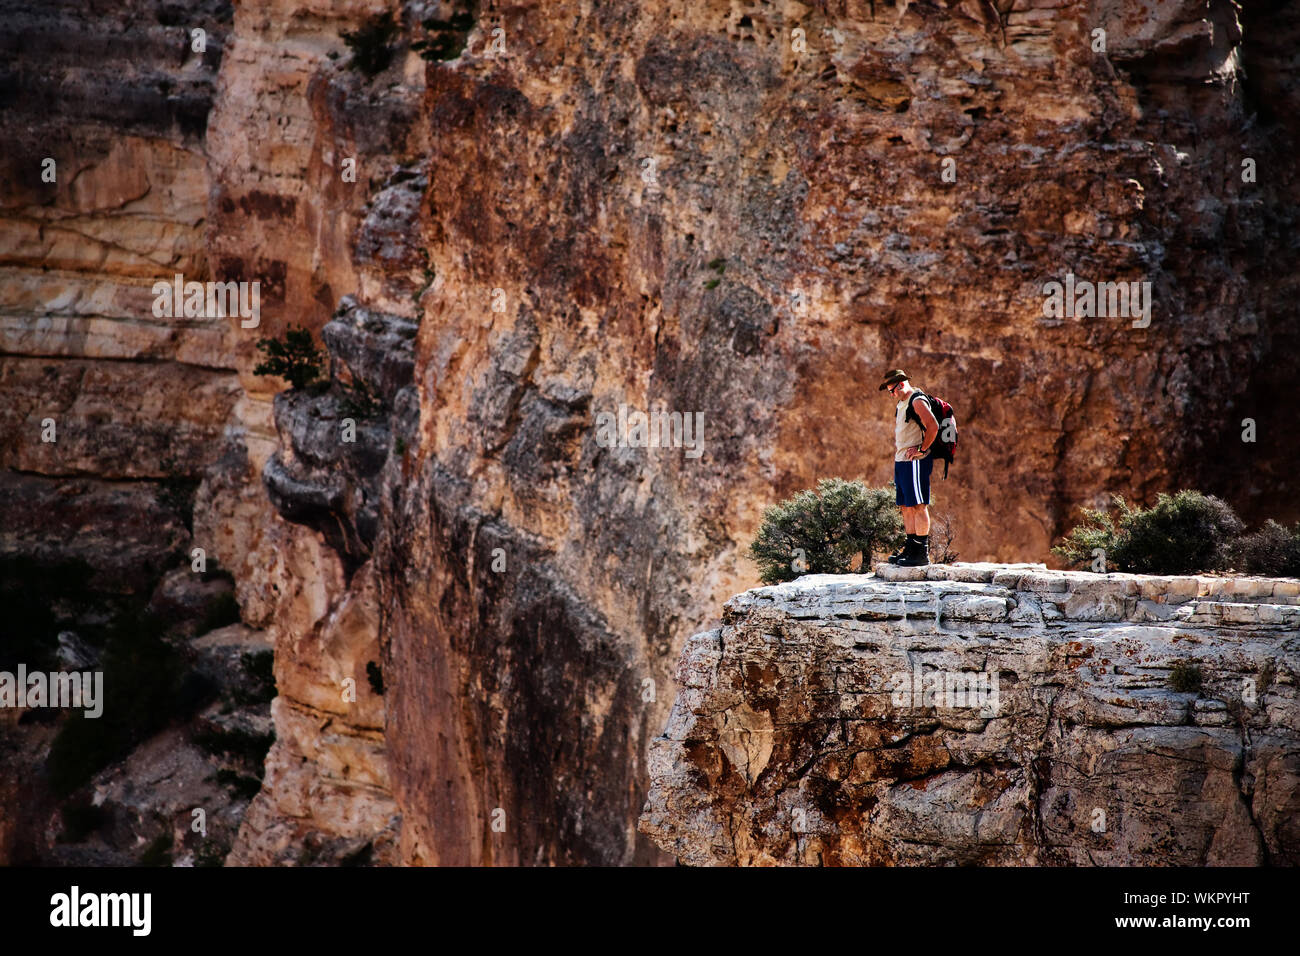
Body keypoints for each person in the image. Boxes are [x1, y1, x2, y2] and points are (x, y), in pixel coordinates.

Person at [878, 369, 939, 567]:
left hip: (915, 462)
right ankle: (911, 547)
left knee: (918, 505)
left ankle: (921, 552)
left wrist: (922, 449)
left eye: (892, 390)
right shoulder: (902, 402)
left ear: (901, 384)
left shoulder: (916, 400)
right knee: (905, 506)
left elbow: (933, 425)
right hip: (902, 460)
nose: (891, 394)